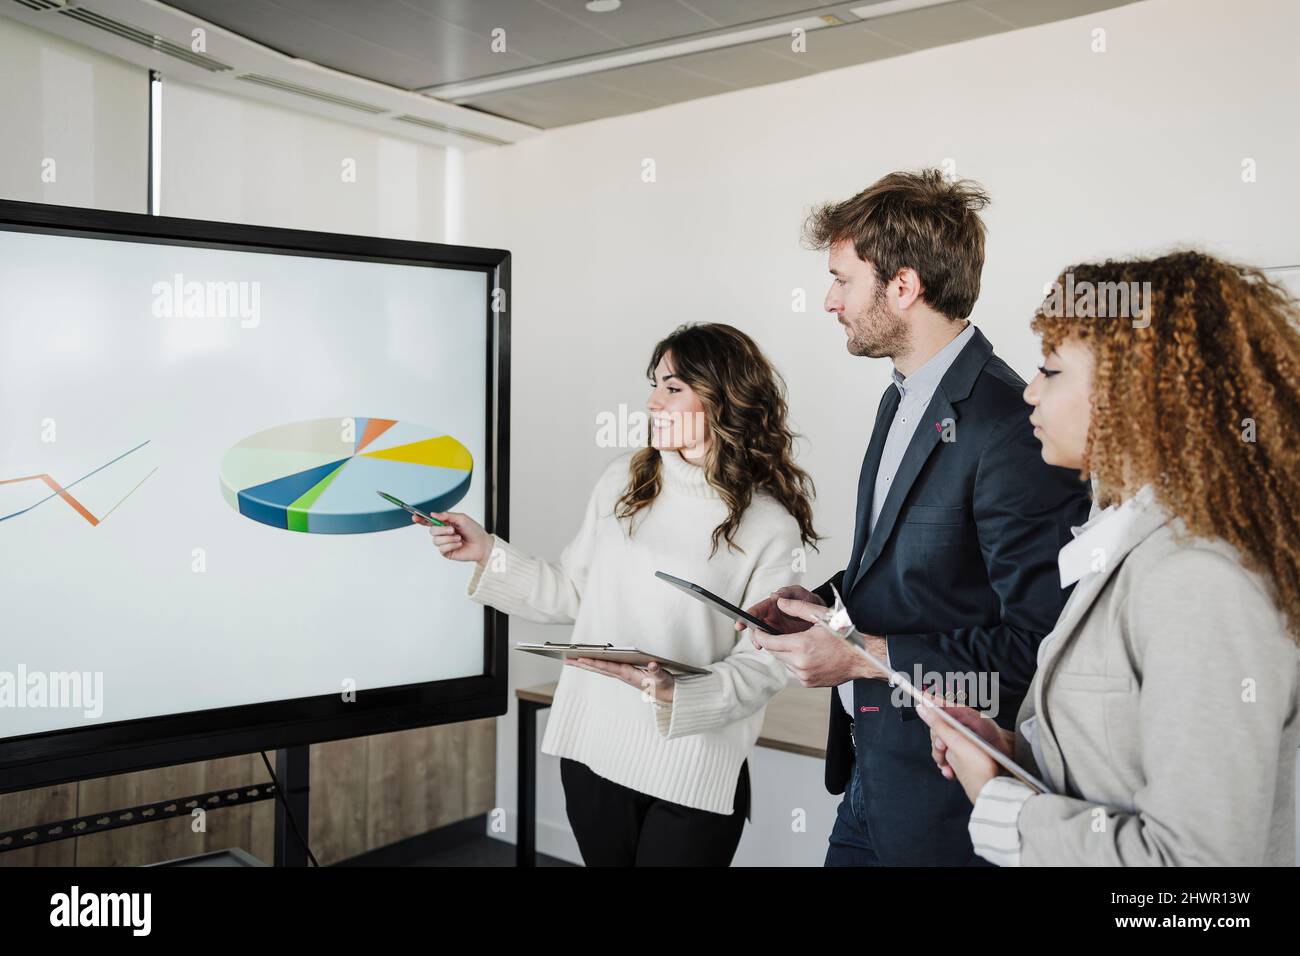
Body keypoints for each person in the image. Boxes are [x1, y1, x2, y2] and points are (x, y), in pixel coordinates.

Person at [741, 169, 1091, 866]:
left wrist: (867, 658)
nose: (828, 301)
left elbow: (1040, 645)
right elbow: (914, 569)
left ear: (903, 287)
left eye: (843, 280)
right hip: (870, 774)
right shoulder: (901, 399)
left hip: (947, 801)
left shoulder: (1011, 424)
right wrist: (824, 603)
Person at [919, 250, 1300, 865]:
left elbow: (1197, 879)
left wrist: (999, 803)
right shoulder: (1133, 546)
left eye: (1050, 370)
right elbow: (1121, 762)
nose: (1030, 393)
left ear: (1137, 392)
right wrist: (1017, 756)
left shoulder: (1200, 577)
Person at [416, 322, 820, 866]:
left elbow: (768, 664)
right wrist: (488, 551)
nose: (652, 401)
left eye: (672, 387)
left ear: (723, 398)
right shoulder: (623, 481)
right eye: (654, 384)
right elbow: (573, 594)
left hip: (690, 770)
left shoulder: (769, 524)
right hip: (594, 751)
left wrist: (681, 692)